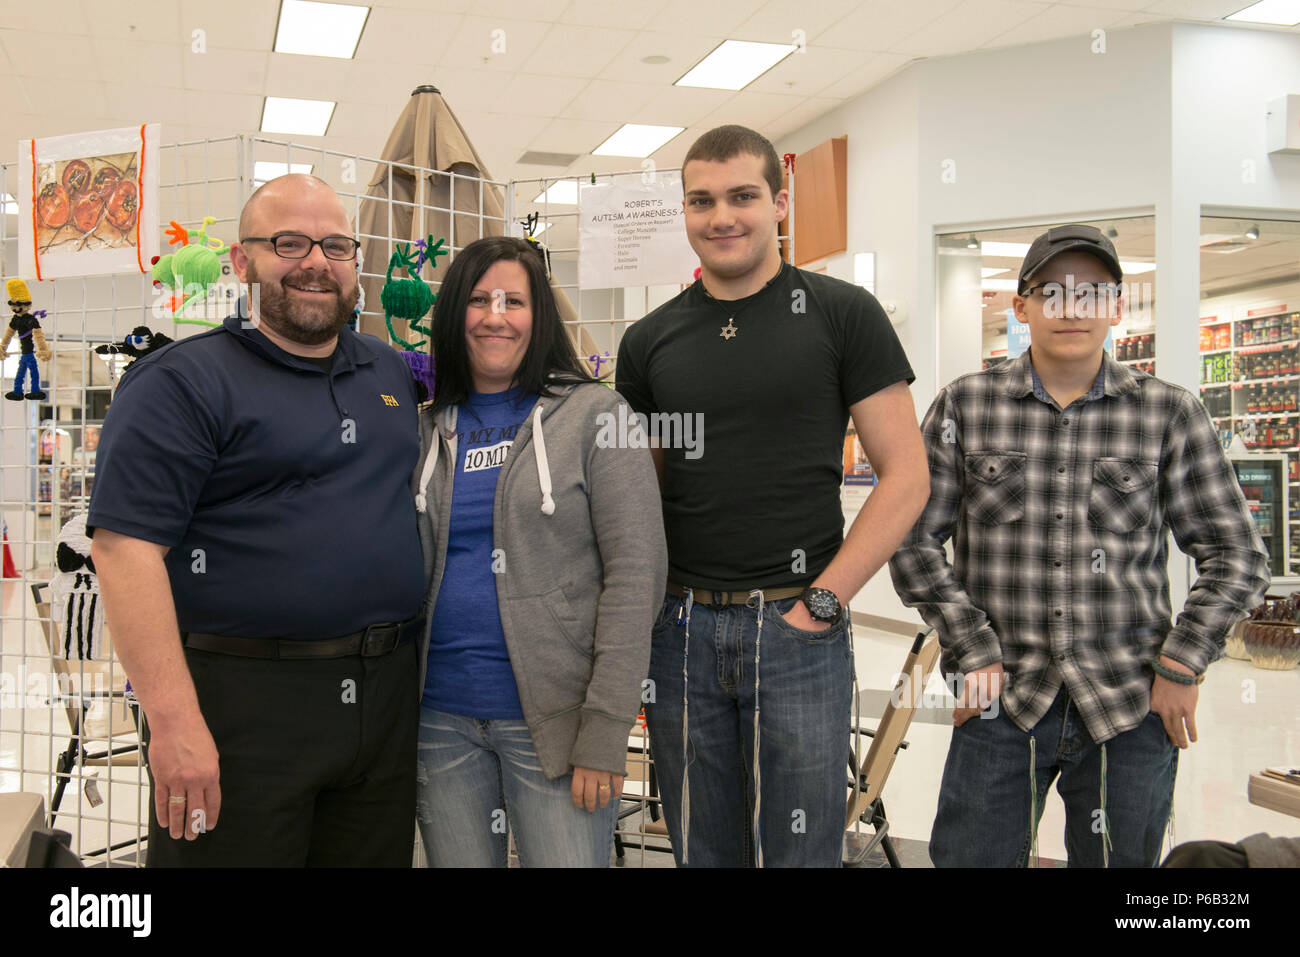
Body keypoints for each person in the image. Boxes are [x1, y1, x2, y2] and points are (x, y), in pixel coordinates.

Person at [889, 224, 1271, 867]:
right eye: (1052, 292)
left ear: (1118, 306)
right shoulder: (966, 404)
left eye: (1093, 293)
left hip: (1131, 703)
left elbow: (1236, 553)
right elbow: (911, 540)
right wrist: (971, 647)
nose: (1074, 309)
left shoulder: (1168, 413)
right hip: (1000, 702)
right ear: (1021, 307)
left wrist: (1182, 663)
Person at [615, 125, 930, 867]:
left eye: (742, 196)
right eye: (701, 200)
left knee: (801, 851)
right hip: (682, 630)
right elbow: (642, 494)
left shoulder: (843, 313)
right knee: (701, 849)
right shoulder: (649, 340)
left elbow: (908, 475)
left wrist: (821, 604)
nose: (721, 216)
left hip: (799, 630)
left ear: (780, 202)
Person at [89, 174, 426, 866]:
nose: (315, 262)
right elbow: (124, 552)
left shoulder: (389, 374)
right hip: (241, 703)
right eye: (289, 242)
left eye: (335, 245)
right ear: (241, 262)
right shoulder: (182, 382)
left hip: (385, 695)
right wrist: (173, 721)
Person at [411, 236, 665, 867]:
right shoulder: (424, 424)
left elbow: (637, 577)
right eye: (477, 300)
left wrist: (606, 731)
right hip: (437, 720)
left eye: (514, 301)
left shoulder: (597, 415)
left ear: (539, 316)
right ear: (453, 315)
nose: (495, 315)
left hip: (558, 723)